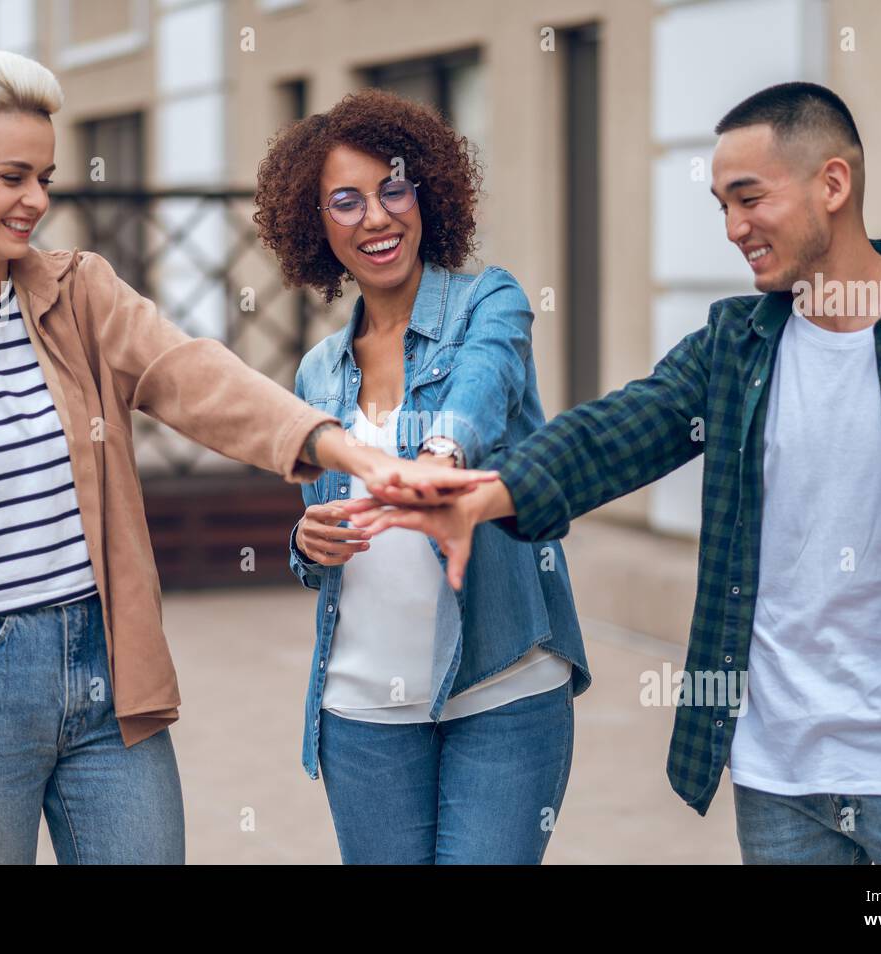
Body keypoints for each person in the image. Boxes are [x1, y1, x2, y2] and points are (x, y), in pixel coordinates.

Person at [0, 49, 494, 865]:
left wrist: (348, 450)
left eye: (47, 177)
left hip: (109, 673)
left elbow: (195, 375)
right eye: (14, 177)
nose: (38, 201)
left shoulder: (79, 293)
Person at [346, 81, 881, 865]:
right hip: (780, 784)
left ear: (834, 184)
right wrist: (483, 496)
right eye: (721, 206)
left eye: (749, 199)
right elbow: (620, 431)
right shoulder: (735, 345)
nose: (733, 228)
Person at [254, 88, 591, 863]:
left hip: (502, 687)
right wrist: (308, 547)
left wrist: (440, 457)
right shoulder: (317, 371)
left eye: (392, 188)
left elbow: (482, 386)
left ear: (426, 194)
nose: (375, 218)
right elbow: (327, 538)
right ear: (317, 224)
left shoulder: (490, 302)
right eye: (346, 201)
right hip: (363, 708)